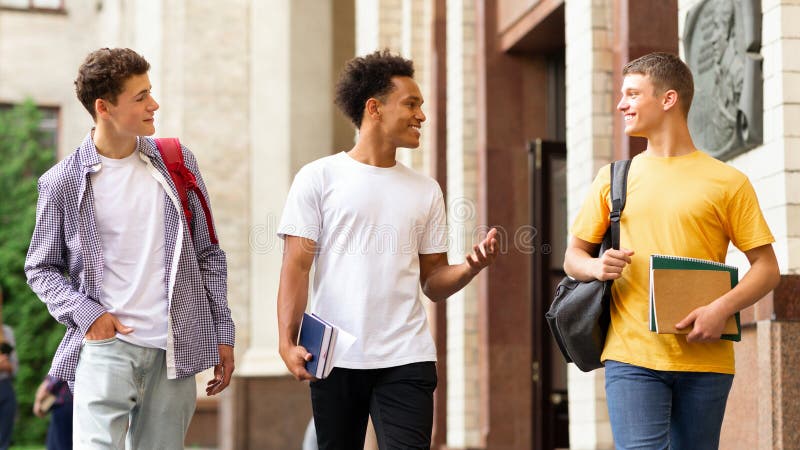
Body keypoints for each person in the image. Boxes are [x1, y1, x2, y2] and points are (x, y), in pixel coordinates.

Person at [277, 49, 499, 450]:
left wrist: (468, 267)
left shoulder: (425, 189)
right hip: (334, 357)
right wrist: (285, 341)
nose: (422, 116)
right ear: (374, 108)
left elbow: (433, 280)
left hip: (407, 355)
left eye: (422, 106)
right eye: (411, 104)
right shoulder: (318, 178)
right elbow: (296, 266)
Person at [563, 52, 780, 449]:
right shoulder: (612, 178)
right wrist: (597, 266)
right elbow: (572, 258)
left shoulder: (729, 182)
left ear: (668, 99)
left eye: (632, 94)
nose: (621, 104)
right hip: (632, 357)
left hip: (707, 358)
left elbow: (767, 268)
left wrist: (721, 309)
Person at [24, 47, 235, 448]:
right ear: (104, 107)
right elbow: (41, 268)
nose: (153, 104)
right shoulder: (62, 182)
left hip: (174, 350)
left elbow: (208, 253)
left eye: (149, 92)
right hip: (107, 348)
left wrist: (222, 331)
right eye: (140, 97)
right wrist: (90, 316)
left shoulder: (177, 163)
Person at [33, 375, 73, 450]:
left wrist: (38, 401)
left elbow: (55, 379)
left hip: (64, 406)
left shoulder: (64, 364)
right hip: (66, 406)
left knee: (61, 445)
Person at [0, 313, 17, 450]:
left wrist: (6, 366)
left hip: (5, 387)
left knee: (3, 441)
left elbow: (14, 367)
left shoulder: (6, 332)